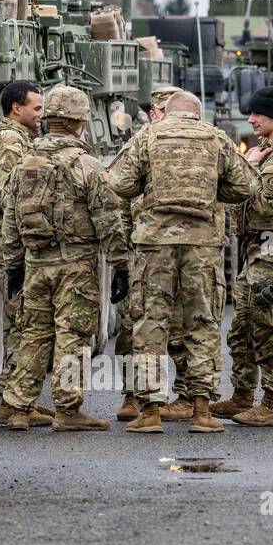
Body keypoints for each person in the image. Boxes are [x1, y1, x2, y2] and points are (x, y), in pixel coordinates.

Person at [107, 90, 259, 433]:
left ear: (167, 112)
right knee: (202, 323)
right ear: (197, 113)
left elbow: (118, 181)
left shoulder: (147, 136)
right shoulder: (216, 138)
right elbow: (247, 185)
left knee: (150, 323)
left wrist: (148, 188)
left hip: (154, 243)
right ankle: (202, 411)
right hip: (201, 244)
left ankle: (149, 412)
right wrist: (212, 192)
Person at [0, 85, 127, 431]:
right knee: (73, 335)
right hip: (77, 265)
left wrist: (12, 265)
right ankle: (68, 411)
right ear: (78, 122)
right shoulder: (87, 165)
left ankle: (18, 407)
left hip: (35, 263)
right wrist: (121, 266)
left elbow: (10, 218)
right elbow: (108, 219)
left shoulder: (26, 161)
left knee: (34, 333)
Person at [211, 86, 273, 426]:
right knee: (243, 331)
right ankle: (242, 396)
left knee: (270, 330)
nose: (250, 120)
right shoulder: (266, 151)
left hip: (272, 252)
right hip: (256, 252)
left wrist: (245, 169)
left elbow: (265, 203)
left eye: (257, 114)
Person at [0, 81, 52, 426]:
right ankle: (15, 402)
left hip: (6, 235)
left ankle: (20, 399)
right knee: (23, 316)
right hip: (10, 238)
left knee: (22, 315)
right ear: (16, 108)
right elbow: (12, 195)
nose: (41, 115)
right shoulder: (9, 142)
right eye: (36, 108)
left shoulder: (8, 137)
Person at [115, 84, 180, 421]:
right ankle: (132, 394)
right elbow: (119, 195)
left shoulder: (195, 139)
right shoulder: (138, 145)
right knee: (134, 324)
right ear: (153, 114)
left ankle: (184, 394)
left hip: (182, 248)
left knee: (184, 323)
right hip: (142, 248)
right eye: (161, 111)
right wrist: (124, 249)